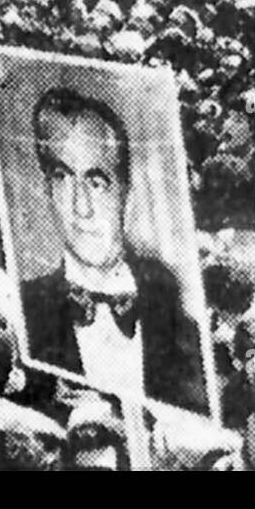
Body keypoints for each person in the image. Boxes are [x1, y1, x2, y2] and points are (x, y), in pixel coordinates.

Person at [19, 88, 206, 412]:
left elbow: (196, 414)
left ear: (127, 199)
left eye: (97, 182)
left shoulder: (172, 309)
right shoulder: (26, 310)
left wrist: (118, 413)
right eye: (62, 177)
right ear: (47, 192)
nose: (81, 207)